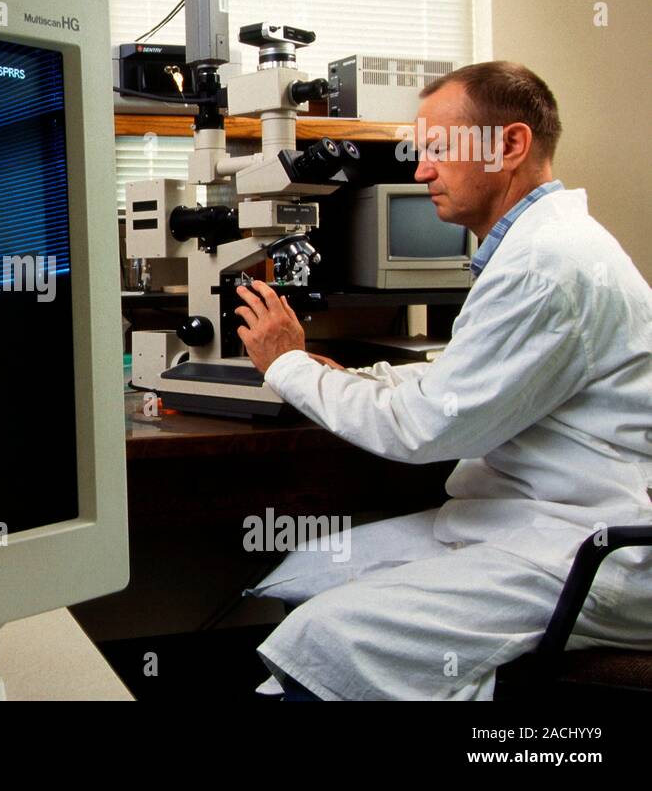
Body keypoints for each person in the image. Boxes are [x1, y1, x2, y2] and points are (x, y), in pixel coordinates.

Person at [233, 61, 652, 700]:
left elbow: (423, 427)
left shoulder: (546, 264)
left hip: (586, 547)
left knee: (329, 633)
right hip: (527, 520)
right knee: (311, 567)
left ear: (510, 145)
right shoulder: (538, 248)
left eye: (438, 150)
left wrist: (287, 365)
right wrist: (357, 376)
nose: (421, 169)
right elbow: (462, 377)